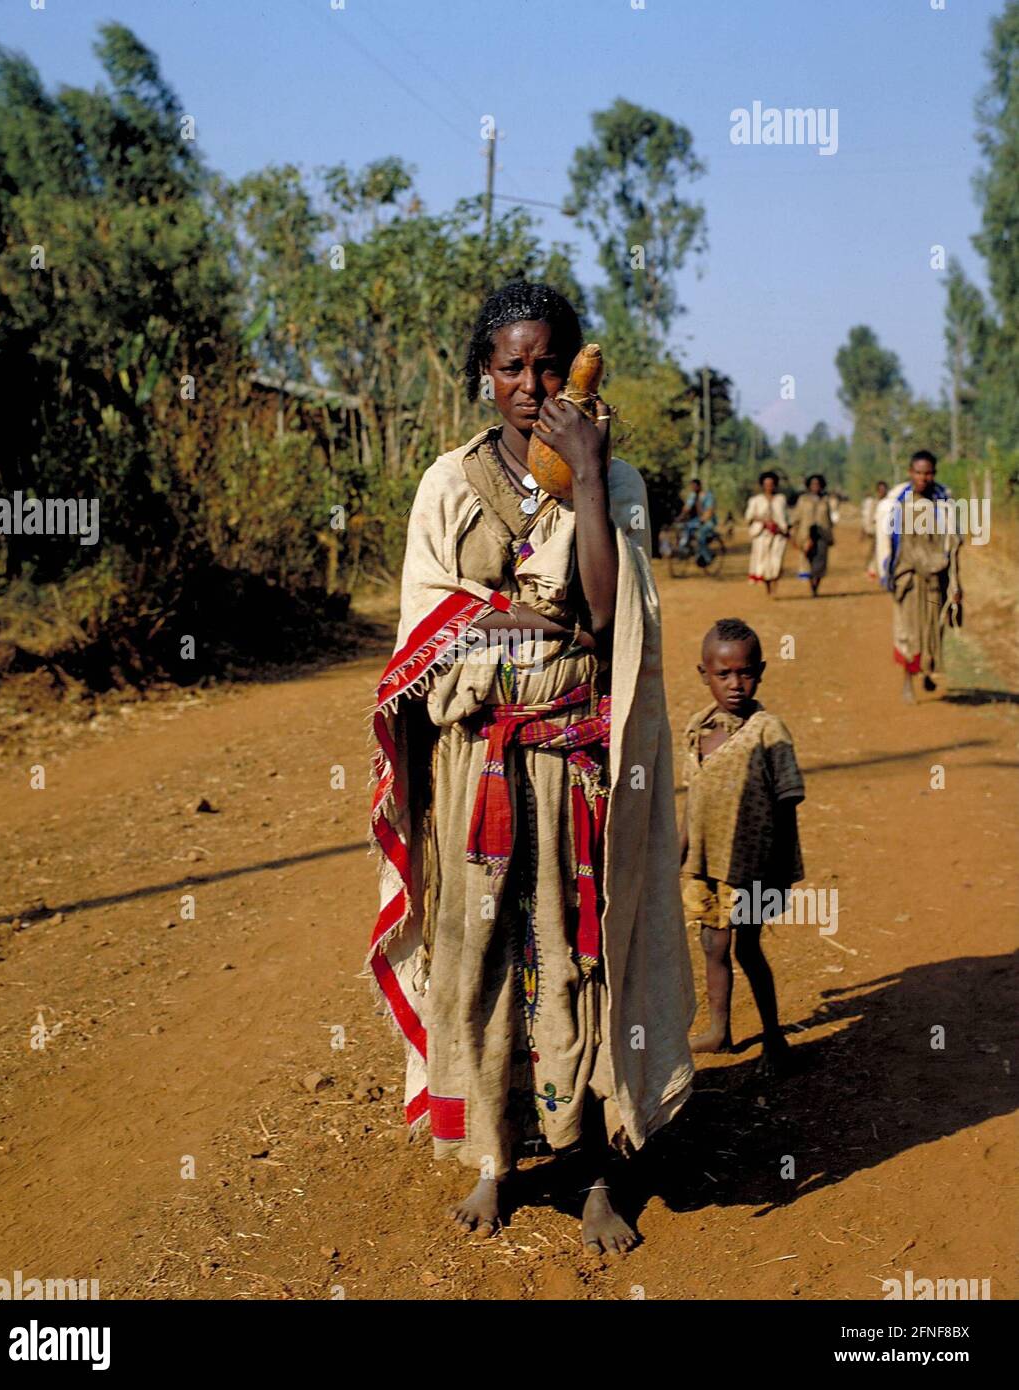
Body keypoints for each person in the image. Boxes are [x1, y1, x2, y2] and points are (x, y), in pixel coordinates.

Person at [368, 282, 695, 1255]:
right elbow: (421, 638)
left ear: (577, 367)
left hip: (574, 770)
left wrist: (587, 480)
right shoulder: (446, 484)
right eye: (510, 365)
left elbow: (604, 618)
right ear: (485, 373)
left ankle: (593, 1167)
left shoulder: (616, 481)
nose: (530, 383)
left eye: (548, 364)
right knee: (479, 959)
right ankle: (495, 1158)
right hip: (480, 770)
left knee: (578, 960)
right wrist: (495, 623)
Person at [678, 619, 804, 1077]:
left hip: (752, 866)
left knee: (747, 948)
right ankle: (720, 1030)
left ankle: (775, 1039)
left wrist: (780, 871)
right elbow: (693, 799)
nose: (735, 684)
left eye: (745, 673)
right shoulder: (698, 728)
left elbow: (788, 803)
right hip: (705, 864)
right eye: (723, 675)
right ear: (704, 673)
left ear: (761, 671)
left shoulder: (770, 731)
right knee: (712, 944)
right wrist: (679, 854)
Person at [878, 450, 963, 703]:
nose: (923, 478)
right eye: (918, 472)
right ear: (910, 472)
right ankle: (907, 682)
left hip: (937, 582)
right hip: (909, 581)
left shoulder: (944, 503)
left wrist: (957, 584)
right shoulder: (898, 503)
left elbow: (953, 546)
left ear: (934, 474)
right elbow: (888, 545)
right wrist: (888, 573)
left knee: (933, 629)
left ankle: (928, 669)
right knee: (907, 632)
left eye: (928, 473)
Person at [744, 470, 789, 594]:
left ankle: (775, 584)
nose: (769, 486)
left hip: (778, 535)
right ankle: (768, 587)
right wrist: (764, 522)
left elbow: (785, 517)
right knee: (763, 562)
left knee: (776, 560)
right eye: (766, 484)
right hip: (761, 535)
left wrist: (783, 528)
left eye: (771, 484)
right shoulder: (755, 500)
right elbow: (749, 516)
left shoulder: (781, 499)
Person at [790, 472, 834, 597]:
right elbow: (796, 518)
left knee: (820, 563)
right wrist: (794, 535)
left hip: (822, 535)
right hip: (806, 536)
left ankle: (816, 586)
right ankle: (811, 585)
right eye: (813, 484)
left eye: (818, 484)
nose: (815, 486)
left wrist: (830, 535)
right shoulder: (803, 500)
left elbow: (829, 520)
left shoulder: (825, 501)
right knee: (808, 561)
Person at [678, 477, 717, 566]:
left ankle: (708, 557)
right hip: (697, 520)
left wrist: (704, 519)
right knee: (685, 528)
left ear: (699, 486)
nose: (693, 488)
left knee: (700, 536)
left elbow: (710, 510)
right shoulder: (692, 496)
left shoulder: (708, 496)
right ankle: (686, 549)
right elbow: (687, 508)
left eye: (694, 486)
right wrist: (680, 517)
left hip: (708, 521)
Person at [862, 480, 888, 579]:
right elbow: (870, 517)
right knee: (874, 551)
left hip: (887, 531)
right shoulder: (874, 502)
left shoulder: (890, 502)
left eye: (884, 489)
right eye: (880, 490)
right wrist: (868, 529)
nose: (882, 491)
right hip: (876, 531)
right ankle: (872, 569)